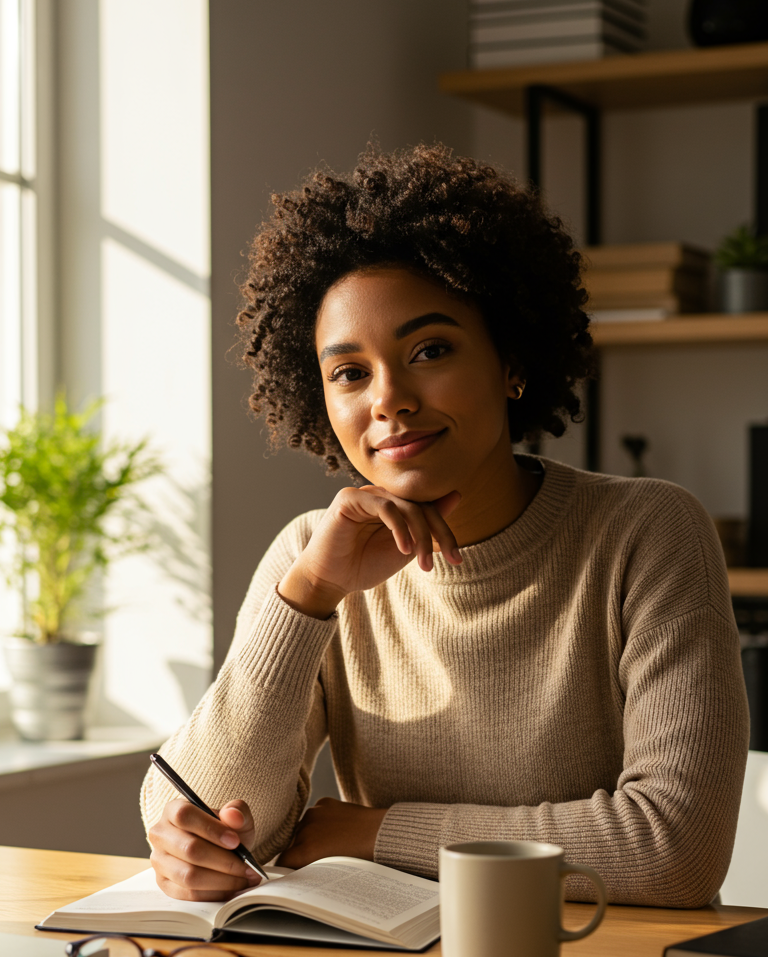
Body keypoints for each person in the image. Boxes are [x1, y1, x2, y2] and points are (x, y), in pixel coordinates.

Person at [141, 142, 749, 912]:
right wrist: (311, 596)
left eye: (430, 350)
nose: (388, 400)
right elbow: (217, 817)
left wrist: (375, 833)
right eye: (350, 372)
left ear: (511, 362)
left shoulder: (647, 533)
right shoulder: (310, 555)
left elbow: (673, 851)